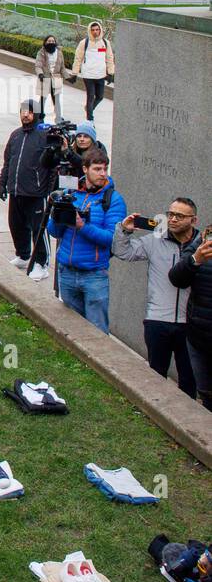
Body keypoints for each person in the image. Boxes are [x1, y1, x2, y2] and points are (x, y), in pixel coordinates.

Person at [113, 198, 201, 400]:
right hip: (157, 320)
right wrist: (124, 231)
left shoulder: (201, 246)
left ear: (193, 220)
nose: (173, 219)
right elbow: (123, 252)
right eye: (170, 214)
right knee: (155, 376)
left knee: (189, 381)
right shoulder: (155, 239)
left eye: (180, 216)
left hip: (189, 324)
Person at [46, 147, 128, 333]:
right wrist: (58, 214)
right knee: (71, 331)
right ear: (85, 169)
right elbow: (54, 232)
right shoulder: (71, 193)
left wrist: (82, 226)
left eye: (104, 169)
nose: (102, 174)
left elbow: (111, 238)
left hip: (94, 275)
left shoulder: (113, 200)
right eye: (97, 169)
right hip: (66, 271)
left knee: (96, 331)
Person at [0, 98, 59, 281]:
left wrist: (47, 190)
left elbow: (53, 166)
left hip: (36, 192)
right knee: (16, 224)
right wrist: (3, 182)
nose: (25, 115)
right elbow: (8, 161)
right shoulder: (15, 135)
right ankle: (23, 255)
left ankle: (41, 263)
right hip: (17, 190)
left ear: (37, 114)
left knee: (38, 229)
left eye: (30, 111)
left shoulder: (44, 135)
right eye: (23, 111)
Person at [169, 222, 212, 410]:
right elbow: (177, 278)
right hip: (198, 336)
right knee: (205, 392)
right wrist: (196, 259)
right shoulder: (204, 240)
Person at [69, 20, 113, 123]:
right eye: (93, 30)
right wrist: (74, 73)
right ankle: (90, 120)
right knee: (90, 96)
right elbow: (78, 58)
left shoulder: (105, 43)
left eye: (97, 29)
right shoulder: (84, 43)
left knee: (100, 96)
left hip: (100, 75)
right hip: (88, 75)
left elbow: (109, 58)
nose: (95, 32)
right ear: (90, 31)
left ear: (100, 30)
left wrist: (110, 73)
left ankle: (89, 109)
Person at [34, 35, 67, 124]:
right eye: (49, 41)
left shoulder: (59, 52)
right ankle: (40, 117)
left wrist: (68, 77)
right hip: (45, 78)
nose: (51, 43)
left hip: (56, 78)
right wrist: (40, 74)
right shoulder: (41, 52)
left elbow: (62, 67)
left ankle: (59, 118)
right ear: (45, 42)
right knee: (42, 99)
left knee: (57, 100)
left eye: (53, 41)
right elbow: (38, 65)